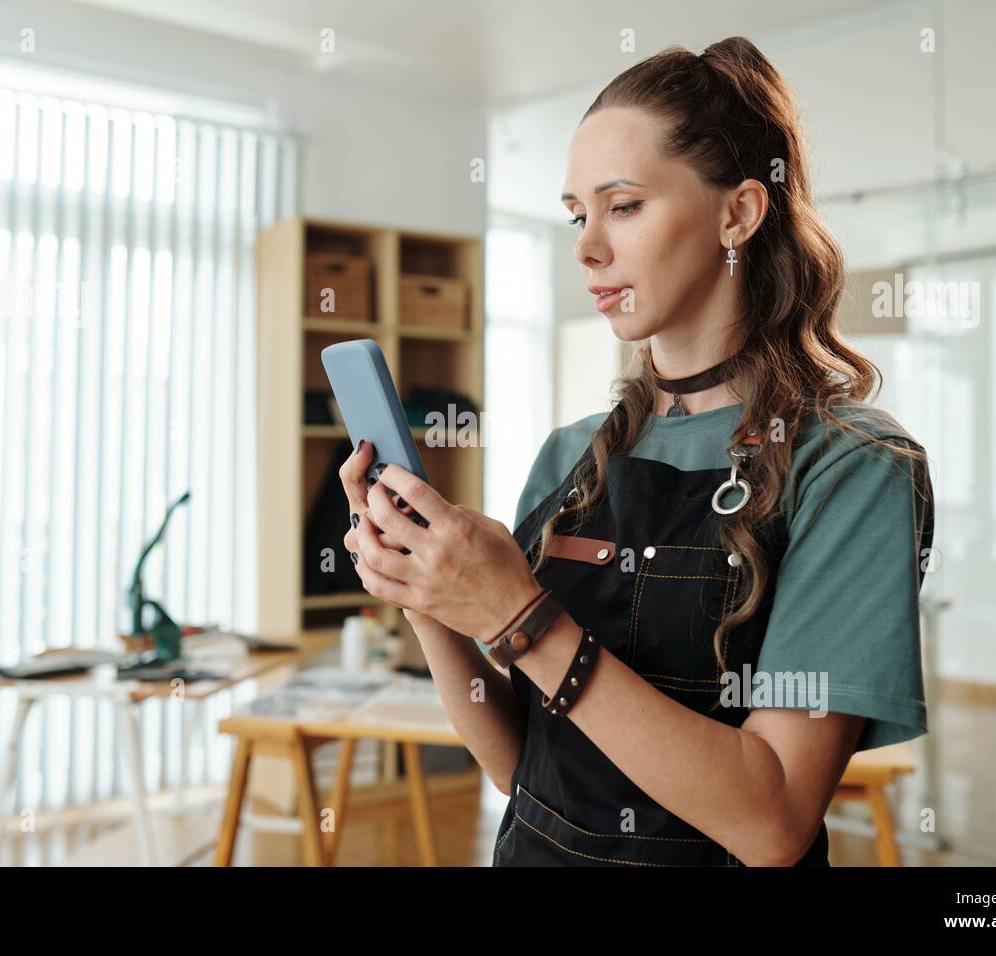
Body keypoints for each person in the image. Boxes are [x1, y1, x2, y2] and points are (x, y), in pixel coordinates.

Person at [339, 37, 934, 867]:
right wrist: (426, 592)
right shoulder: (568, 458)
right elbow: (525, 765)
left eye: (623, 206)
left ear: (738, 214)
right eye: (578, 213)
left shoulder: (853, 468)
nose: (585, 248)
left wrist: (519, 615)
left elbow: (773, 823)